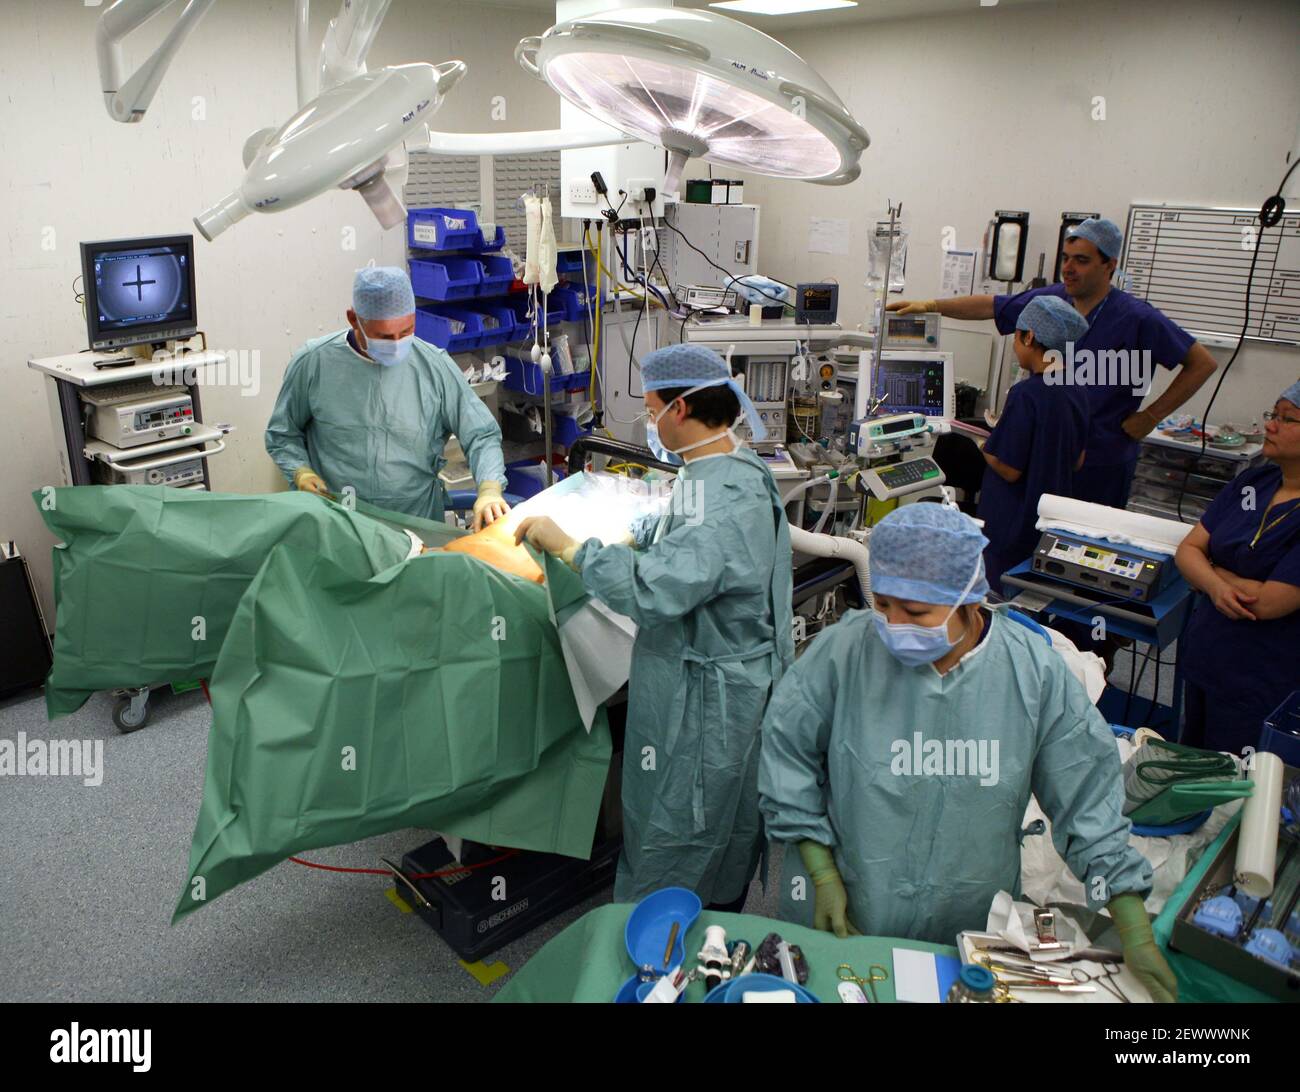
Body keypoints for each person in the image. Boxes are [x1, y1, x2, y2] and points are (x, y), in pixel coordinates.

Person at [758, 503, 1177, 1002]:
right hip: (851, 896)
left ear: (969, 601)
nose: (893, 625)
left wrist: (1132, 926)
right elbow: (788, 754)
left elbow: (1087, 802)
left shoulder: (1032, 675)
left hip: (971, 907)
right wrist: (820, 872)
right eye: (883, 604)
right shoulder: (845, 653)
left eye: (915, 613)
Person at [514, 344, 794, 910]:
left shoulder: (725, 499)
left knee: (683, 826)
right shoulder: (727, 466)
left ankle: (677, 945)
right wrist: (639, 528)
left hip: (706, 708)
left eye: (650, 410)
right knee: (712, 819)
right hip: (717, 685)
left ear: (681, 410)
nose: (650, 423)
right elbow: (680, 522)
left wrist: (574, 550)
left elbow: (653, 589)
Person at [890, 217, 1217, 507]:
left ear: (1109, 265)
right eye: (1066, 258)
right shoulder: (1051, 301)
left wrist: (1151, 416)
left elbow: (1202, 363)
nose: (1069, 268)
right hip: (1036, 461)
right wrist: (932, 305)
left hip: (1100, 460)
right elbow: (992, 306)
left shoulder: (1137, 318)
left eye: (1082, 260)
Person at [265, 266, 510, 528]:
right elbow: (283, 433)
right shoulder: (315, 363)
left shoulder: (433, 366)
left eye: (406, 331)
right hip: (341, 523)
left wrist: (489, 489)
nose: (396, 343)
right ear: (353, 319)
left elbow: (481, 435)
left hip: (416, 522)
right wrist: (300, 471)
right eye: (384, 336)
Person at [1175, 380, 1300, 756]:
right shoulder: (1254, 481)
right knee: (1190, 765)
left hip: (1259, 680)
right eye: (1272, 415)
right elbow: (1187, 549)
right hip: (1206, 658)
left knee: (1233, 786)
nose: (1271, 426)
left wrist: (1210, 571)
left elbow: (1265, 603)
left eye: (1287, 419)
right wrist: (1217, 585)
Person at [978, 295, 1091, 591]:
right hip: (1050, 525)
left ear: (1028, 336)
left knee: (999, 597)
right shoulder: (1076, 389)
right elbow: (1077, 460)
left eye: (1016, 337)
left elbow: (1008, 468)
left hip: (1013, 525)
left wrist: (982, 445)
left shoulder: (1027, 394)